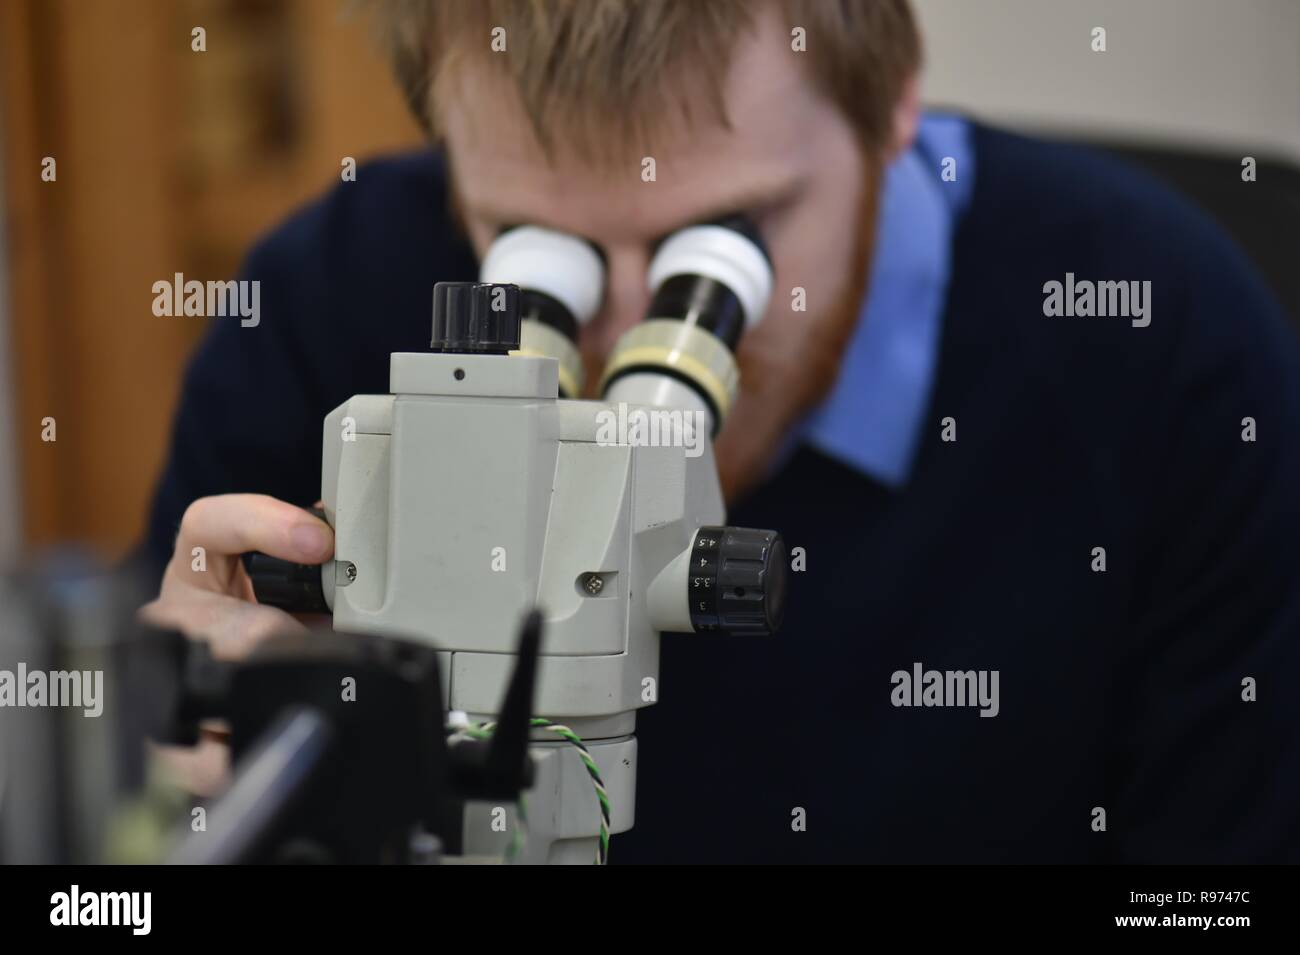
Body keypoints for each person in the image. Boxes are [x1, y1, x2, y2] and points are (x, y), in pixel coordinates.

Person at [138, 0, 1300, 862]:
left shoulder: (1161, 339)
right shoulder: (318, 303)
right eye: (540, 246)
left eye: (721, 242)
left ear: (894, 102)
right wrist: (198, 772)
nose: (632, 329)